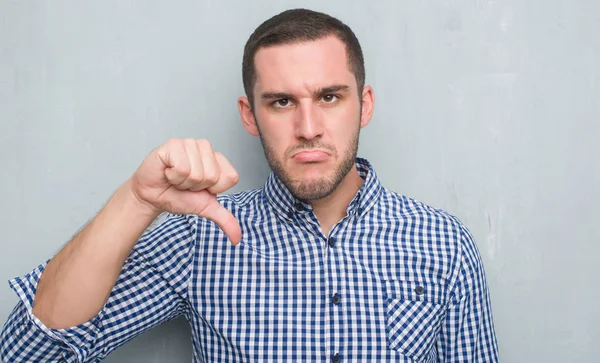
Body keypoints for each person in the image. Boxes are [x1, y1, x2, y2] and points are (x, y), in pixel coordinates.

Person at [0, 8, 498, 362]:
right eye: (281, 102)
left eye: (329, 97)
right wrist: (134, 200)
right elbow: (30, 353)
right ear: (250, 114)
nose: (307, 127)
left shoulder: (443, 243)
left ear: (364, 104)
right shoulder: (202, 237)